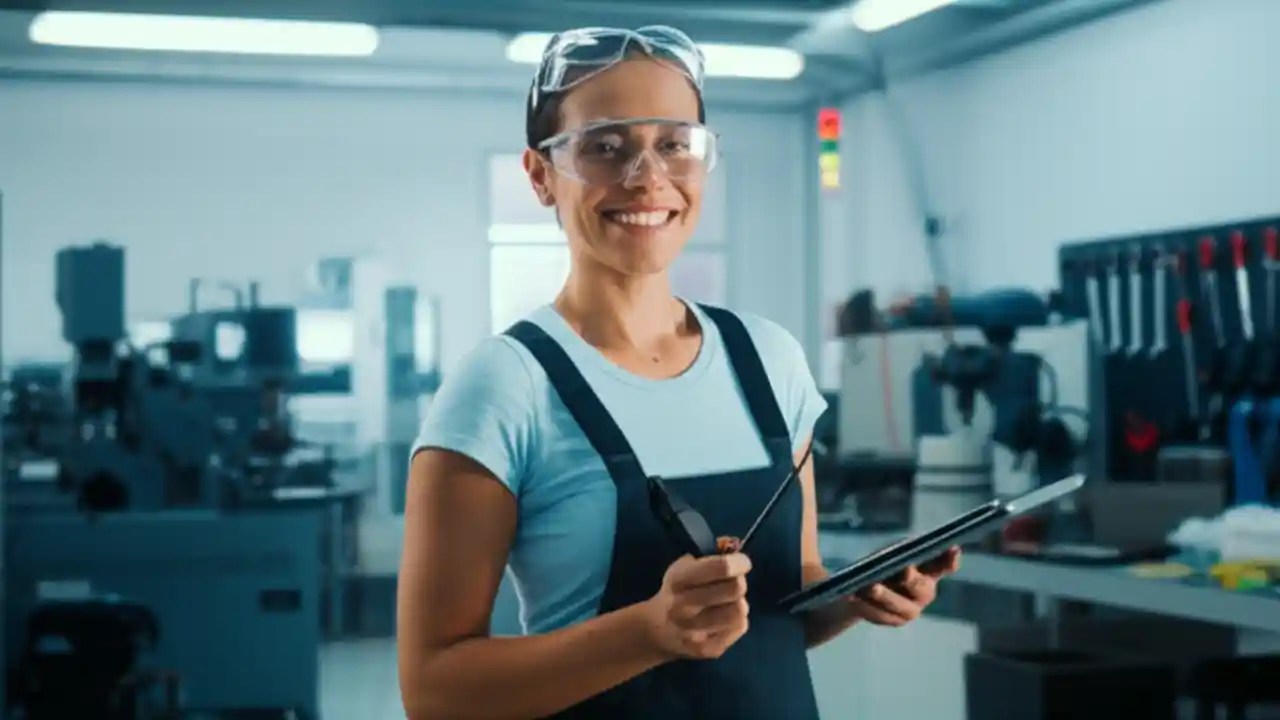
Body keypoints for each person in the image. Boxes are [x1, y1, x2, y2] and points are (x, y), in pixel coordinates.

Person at [396, 25, 961, 720]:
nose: (646, 177)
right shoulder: (503, 386)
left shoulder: (771, 361)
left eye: (674, 145)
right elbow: (435, 690)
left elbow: (783, 607)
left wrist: (853, 593)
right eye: (605, 147)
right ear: (540, 176)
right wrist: (648, 633)